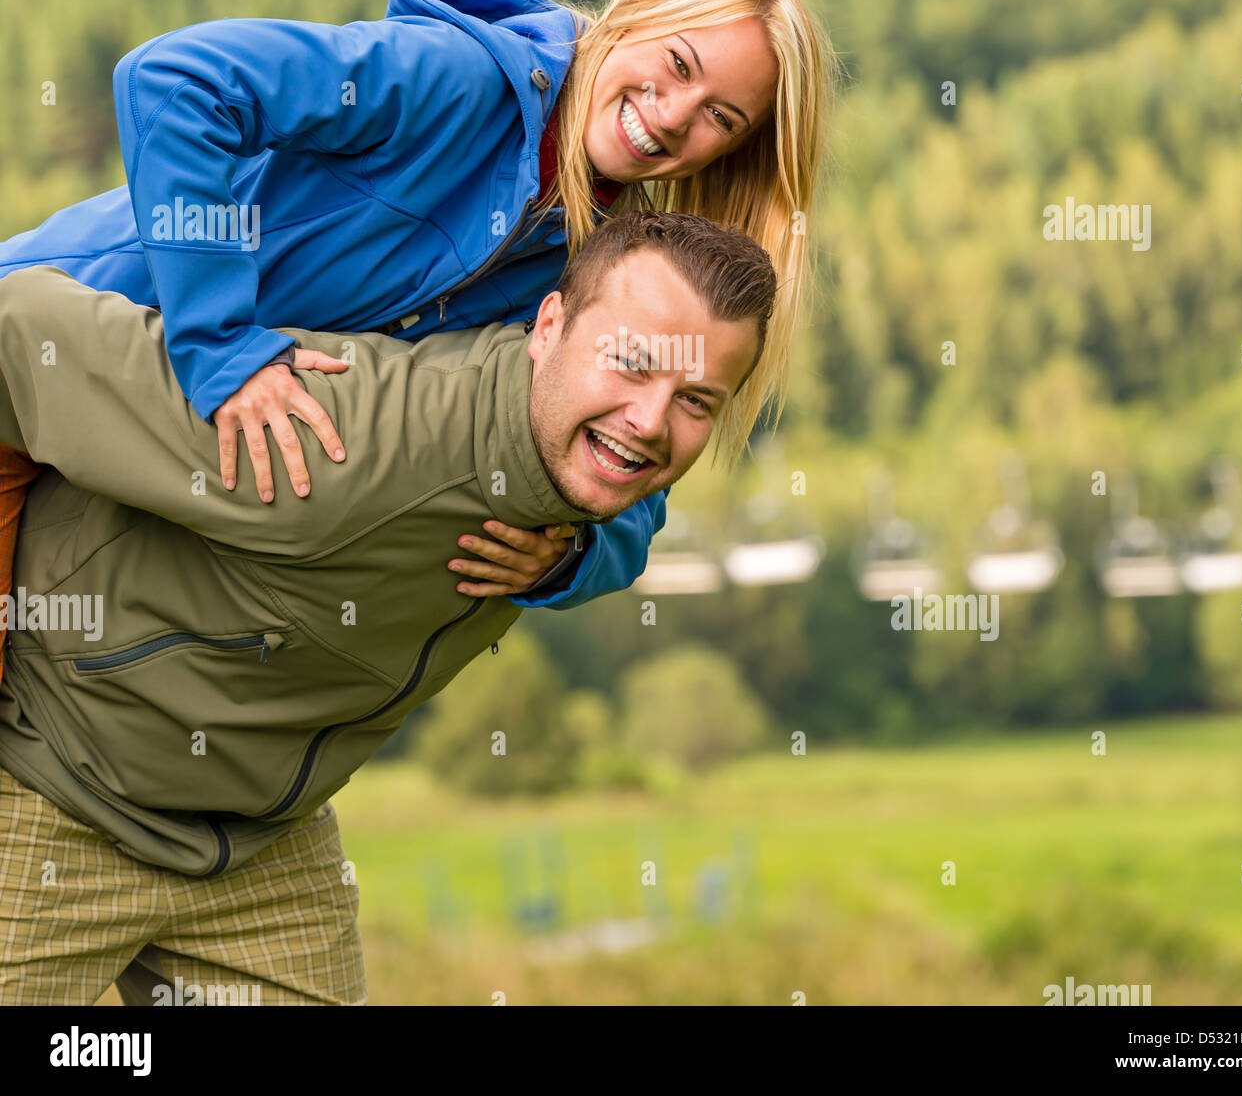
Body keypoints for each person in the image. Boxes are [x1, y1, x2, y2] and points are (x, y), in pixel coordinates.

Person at [0, 210, 776, 1005]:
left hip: (264, 844)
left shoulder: (569, 496)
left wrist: (575, 555)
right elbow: (16, 328)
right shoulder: (335, 437)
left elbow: (633, 523)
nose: (649, 422)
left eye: (696, 401)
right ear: (548, 326)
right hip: (52, 788)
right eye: (632, 364)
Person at [0, 0, 838, 629]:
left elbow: (638, 461)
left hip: (118, 454)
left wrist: (575, 556)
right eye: (676, 64)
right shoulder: (455, 78)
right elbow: (176, 83)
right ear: (635, 21)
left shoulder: (596, 254)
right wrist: (221, 344)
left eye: (720, 117)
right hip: (35, 367)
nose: (671, 113)